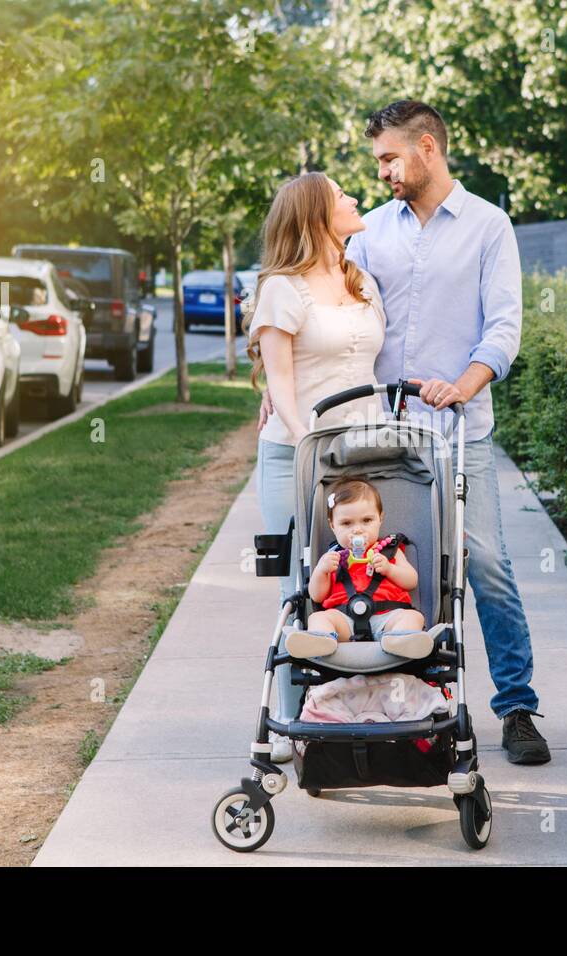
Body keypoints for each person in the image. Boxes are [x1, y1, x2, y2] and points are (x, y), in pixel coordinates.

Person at [261, 100, 551, 765]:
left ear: (426, 147)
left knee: (487, 567)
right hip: (380, 438)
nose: (382, 171)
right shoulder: (369, 234)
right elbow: (313, 305)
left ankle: (517, 708)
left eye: (389, 158)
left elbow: (504, 328)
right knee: (393, 578)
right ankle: (399, 706)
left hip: (456, 431)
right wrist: (273, 386)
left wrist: (465, 384)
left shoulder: (489, 226)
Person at [244, 171, 387, 763]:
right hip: (297, 459)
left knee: (366, 581)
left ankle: (359, 712)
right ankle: (289, 724)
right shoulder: (282, 289)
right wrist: (311, 446)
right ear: (313, 216)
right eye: (340, 197)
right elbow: (281, 382)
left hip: (366, 457)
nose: (354, 200)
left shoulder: (362, 281)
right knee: (302, 588)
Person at [286, 476, 432, 661]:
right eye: (347, 523)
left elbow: (412, 581)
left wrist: (389, 569)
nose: (357, 530)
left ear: (380, 519)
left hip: (387, 617)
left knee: (413, 617)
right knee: (318, 618)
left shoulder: (390, 551)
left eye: (366, 520)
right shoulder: (332, 558)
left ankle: (400, 640)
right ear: (333, 525)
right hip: (344, 620)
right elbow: (317, 596)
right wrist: (321, 571)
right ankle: (321, 640)